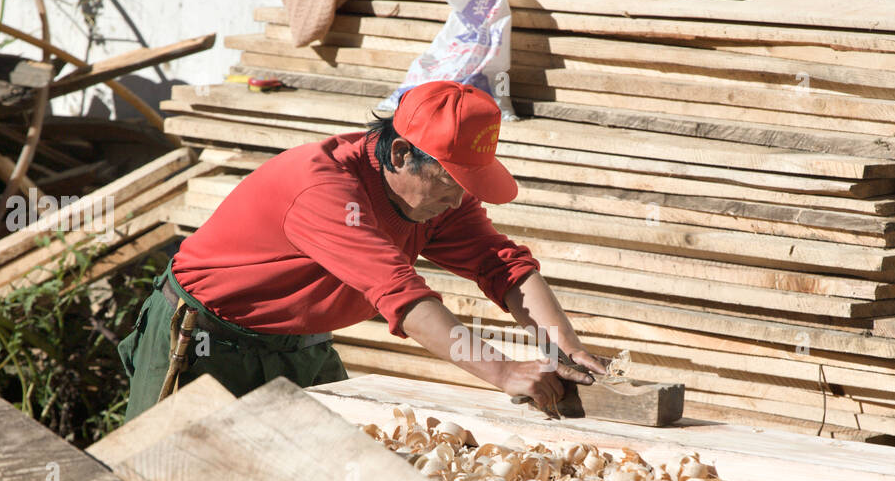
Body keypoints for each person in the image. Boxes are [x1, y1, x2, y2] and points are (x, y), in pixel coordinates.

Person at [118, 79, 605, 421]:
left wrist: (564, 345)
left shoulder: (435, 197)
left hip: (298, 346)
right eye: (451, 180)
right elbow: (399, 292)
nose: (460, 198)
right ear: (400, 155)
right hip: (206, 342)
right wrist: (502, 371)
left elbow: (501, 266)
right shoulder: (324, 190)